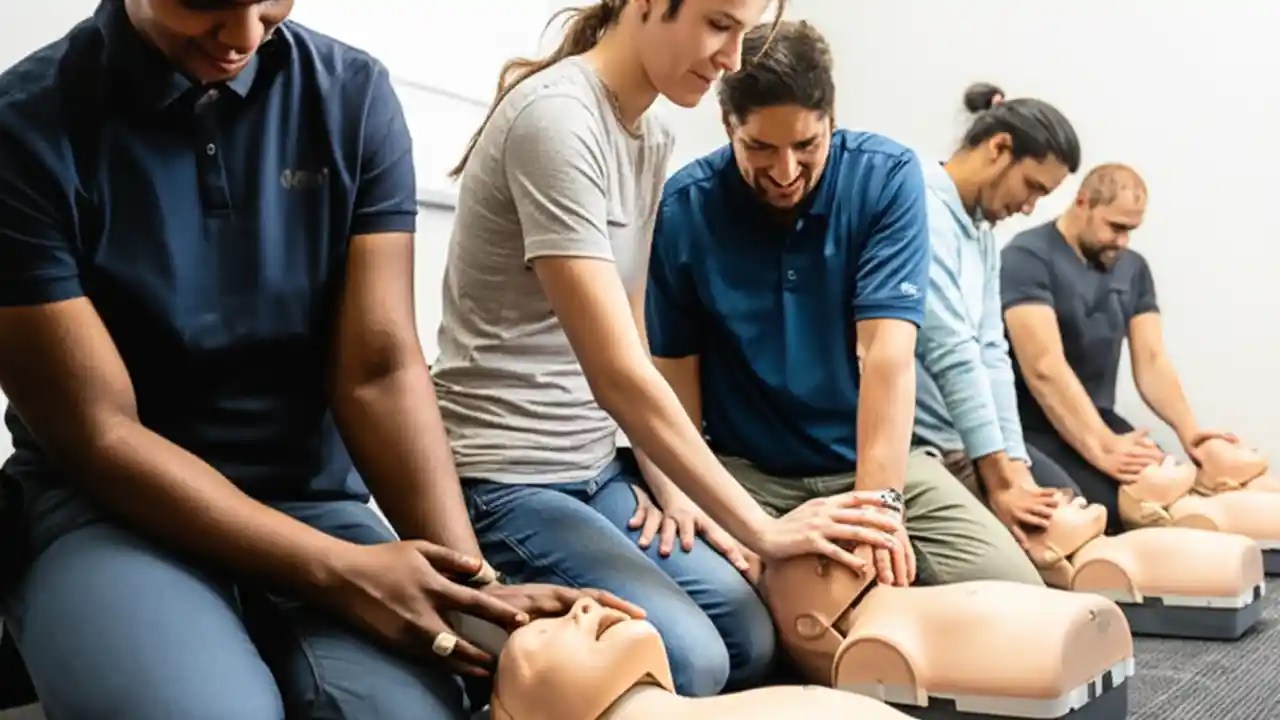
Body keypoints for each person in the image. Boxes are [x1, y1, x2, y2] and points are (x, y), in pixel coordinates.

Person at [0, 2, 637, 718]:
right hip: (104, 511)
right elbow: (101, 433)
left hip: (309, 500)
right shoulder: (24, 125)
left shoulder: (349, 95)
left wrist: (473, 586)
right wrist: (338, 572)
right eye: (208, 1)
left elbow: (380, 370)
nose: (245, 35)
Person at [434, 0, 906, 699]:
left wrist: (673, 490)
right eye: (719, 24)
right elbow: (617, 375)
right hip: (506, 477)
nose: (733, 59)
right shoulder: (557, 120)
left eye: (742, 32)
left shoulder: (649, 136)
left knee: (749, 639)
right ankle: (491, 657)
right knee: (695, 661)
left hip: (595, 469)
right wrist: (761, 528)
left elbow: (634, 338)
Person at [645, 22, 1042, 591]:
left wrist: (878, 507)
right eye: (760, 148)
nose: (785, 172)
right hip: (747, 473)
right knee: (774, 604)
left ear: (831, 119)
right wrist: (687, 495)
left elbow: (886, 356)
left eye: (806, 145)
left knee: (1013, 587)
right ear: (728, 125)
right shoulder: (685, 208)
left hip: (871, 462)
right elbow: (674, 376)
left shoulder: (885, 180)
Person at [1001, 163, 1235, 534]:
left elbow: (1152, 360)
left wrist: (1192, 435)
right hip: (1031, 427)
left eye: (1131, 230)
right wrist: (1103, 447)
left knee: (1171, 498)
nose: (1123, 241)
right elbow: (1044, 366)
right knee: (1102, 512)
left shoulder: (1133, 269)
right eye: (1115, 227)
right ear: (1082, 202)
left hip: (1100, 417)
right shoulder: (1027, 257)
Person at [913, 82, 1084, 548]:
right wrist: (1001, 481)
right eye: (1031, 187)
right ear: (999, 148)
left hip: (965, 440)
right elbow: (951, 350)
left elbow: (991, 351)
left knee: (1068, 515)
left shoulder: (981, 232)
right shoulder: (922, 208)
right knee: (1048, 541)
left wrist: (1016, 466)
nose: (1029, 208)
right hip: (921, 447)